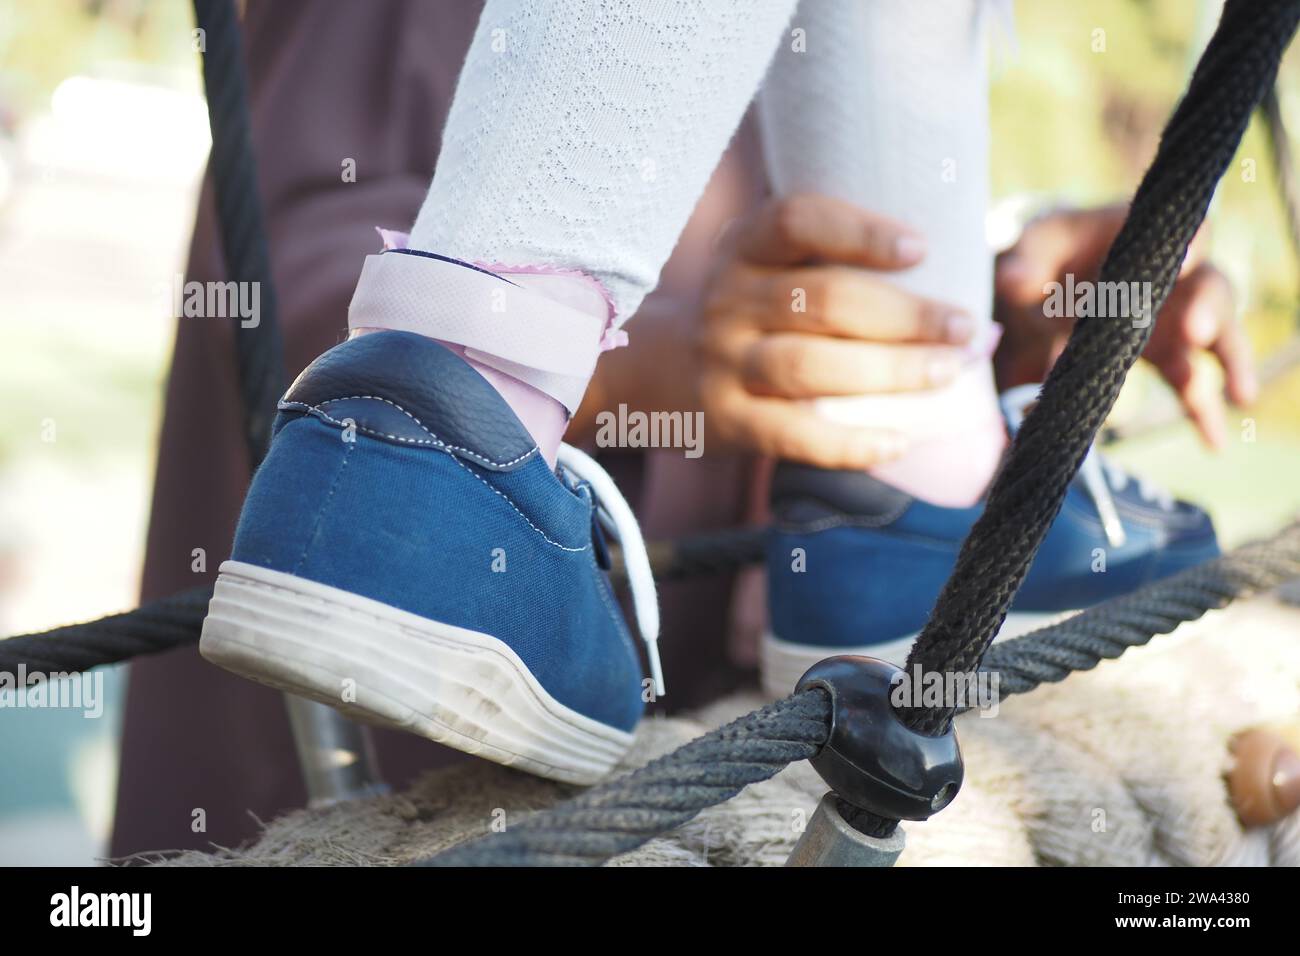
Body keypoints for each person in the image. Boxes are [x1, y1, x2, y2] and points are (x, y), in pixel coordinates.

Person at [113, 0, 1249, 853]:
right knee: (450, 403)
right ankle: (472, 432)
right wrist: (651, 349)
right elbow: (281, 263)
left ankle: (925, 481)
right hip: (349, 767)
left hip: (707, 735)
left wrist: (981, 309)